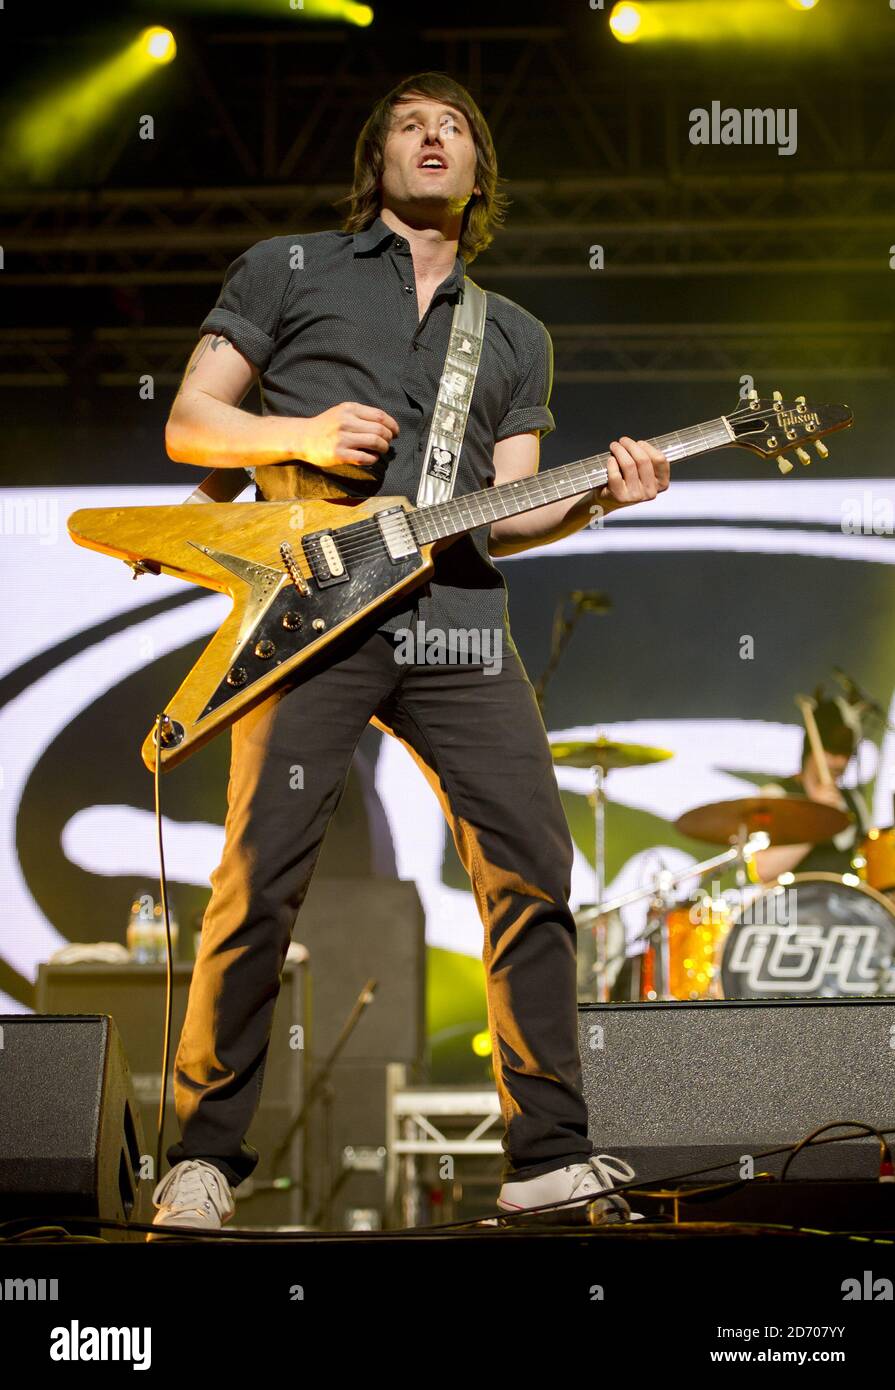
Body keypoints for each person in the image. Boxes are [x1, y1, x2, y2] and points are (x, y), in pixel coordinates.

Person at [150, 71, 669, 1234]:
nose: (433, 138)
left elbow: (511, 509)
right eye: (409, 125)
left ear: (477, 171)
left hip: (457, 617)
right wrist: (302, 432)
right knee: (261, 874)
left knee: (533, 863)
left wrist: (597, 500)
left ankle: (545, 1154)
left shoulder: (516, 332)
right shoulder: (290, 269)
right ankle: (201, 1159)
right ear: (376, 161)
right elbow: (191, 423)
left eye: (455, 129)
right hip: (310, 615)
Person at [752, 696, 869, 884]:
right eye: (833, 751)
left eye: (847, 754)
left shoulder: (854, 801)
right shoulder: (777, 796)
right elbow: (764, 870)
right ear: (812, 749)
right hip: (794, 908)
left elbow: (871, 867)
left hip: (848, 907)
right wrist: (816, 818)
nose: (841, 762)